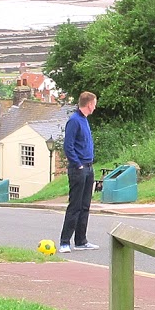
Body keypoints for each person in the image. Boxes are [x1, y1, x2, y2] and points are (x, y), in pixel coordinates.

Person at [58, 92, 97, 253]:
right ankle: (64, 242)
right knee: (75, 205)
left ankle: (81, 240)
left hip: (89, 167)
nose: (95, 106)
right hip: (78, 169)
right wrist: (78, 164)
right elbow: (68, 146)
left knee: (85, 206)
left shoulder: (84, 120)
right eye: (94, 103)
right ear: (89, 104)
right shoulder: (74, 121)